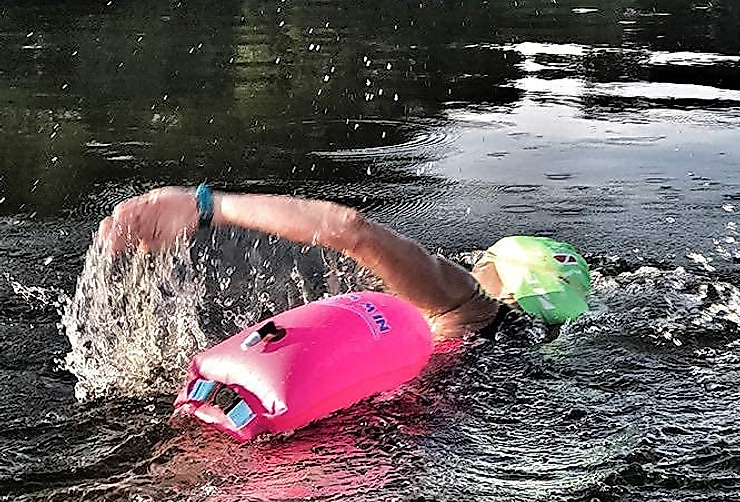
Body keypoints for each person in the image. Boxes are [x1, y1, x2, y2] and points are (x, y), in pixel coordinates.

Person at [100, 185, 591, 340]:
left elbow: (348, 228)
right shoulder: (511, 341)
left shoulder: (464, 299)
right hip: (391, 451)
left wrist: (208, 208)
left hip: (362, 423)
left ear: (494, 272)